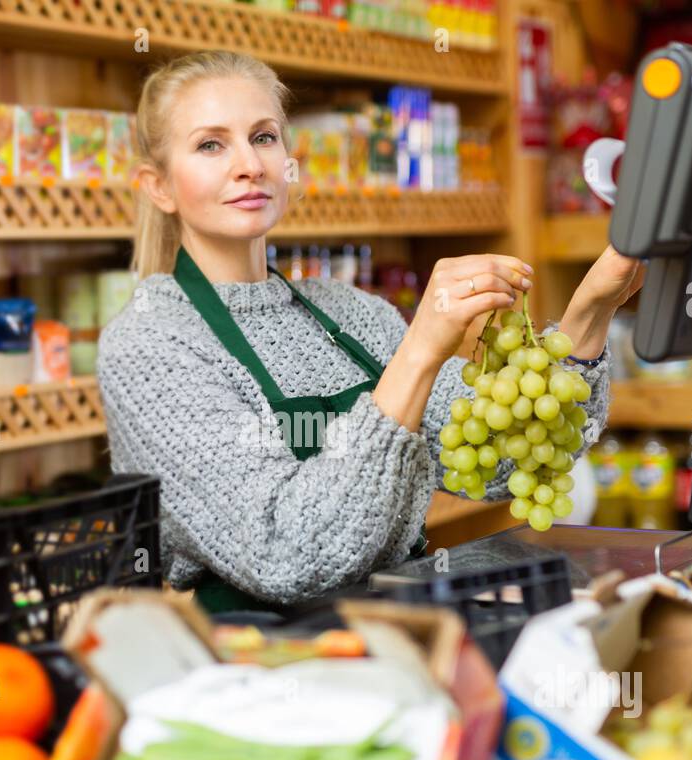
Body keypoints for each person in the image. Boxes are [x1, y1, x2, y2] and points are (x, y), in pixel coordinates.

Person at [98, 51, 644, 614]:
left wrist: (590, 311)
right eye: (211, 145)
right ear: (158, 186)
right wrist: (419, 353)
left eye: (263, 138)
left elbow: (510, 461)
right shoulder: (148, 345)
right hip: (261, 667)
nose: (250, 165)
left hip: (396, 634)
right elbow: (285, 555)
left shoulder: (352, 313)